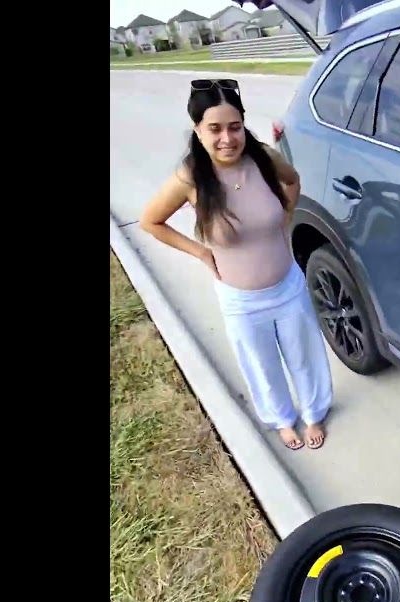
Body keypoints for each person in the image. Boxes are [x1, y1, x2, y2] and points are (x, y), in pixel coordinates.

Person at [138, 78, 332, 450]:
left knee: (304, 356)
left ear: (244, 125)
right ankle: (282, 419)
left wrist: (283, 219)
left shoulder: (262, 158)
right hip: (241, 300)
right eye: (214, 129)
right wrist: (201, 252)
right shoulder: (191, 177)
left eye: (234, 126)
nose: (227, 138)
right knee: (262, 367)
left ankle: (313, 413)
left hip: (288, 286)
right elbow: (151, 222)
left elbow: (292, 182)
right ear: (197, 130)